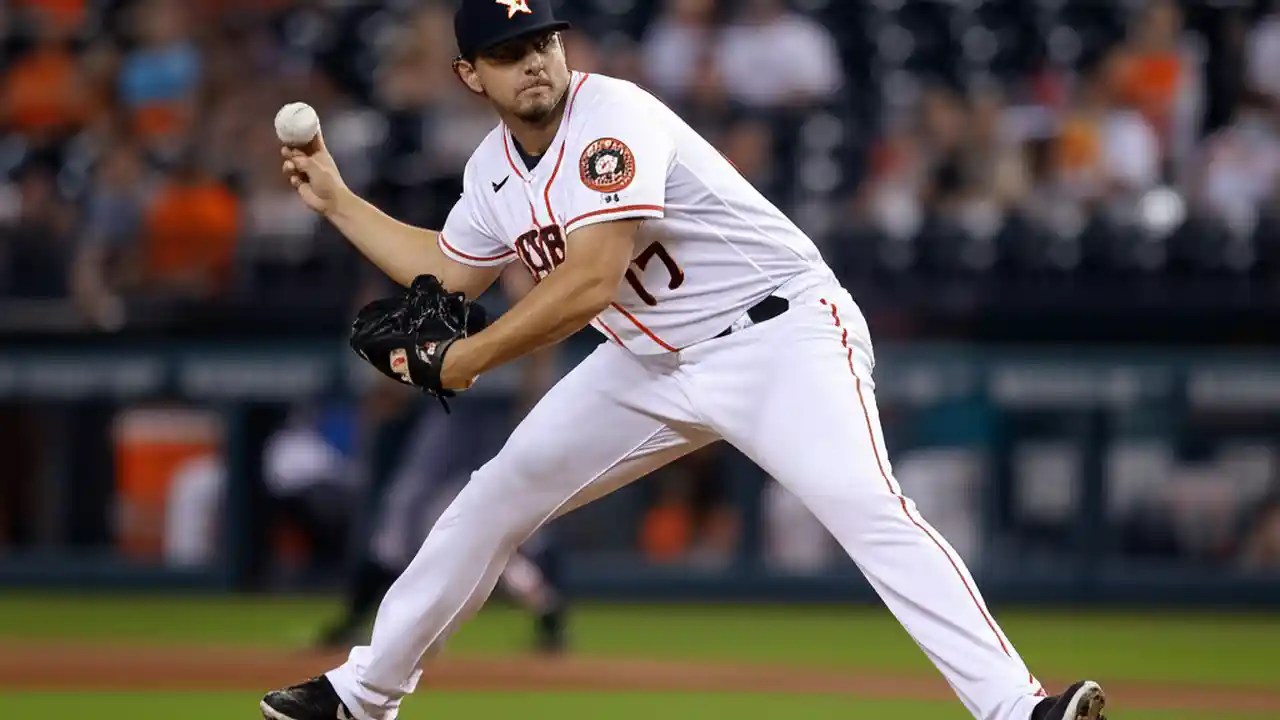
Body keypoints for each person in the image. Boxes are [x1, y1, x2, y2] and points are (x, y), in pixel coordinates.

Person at [261, 2, 1107, 720]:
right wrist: (336, 199)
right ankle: (361, 694)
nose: (536, 63)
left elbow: (590, 280)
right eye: (509, 53)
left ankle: (1017, 707)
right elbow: (447, 270)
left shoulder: (613, 117)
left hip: (778, 336)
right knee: (491, 498)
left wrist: (467, 357)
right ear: (469, 76)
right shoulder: (491, 173)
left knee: (864, 505)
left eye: (544, 42)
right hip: (647, 363)